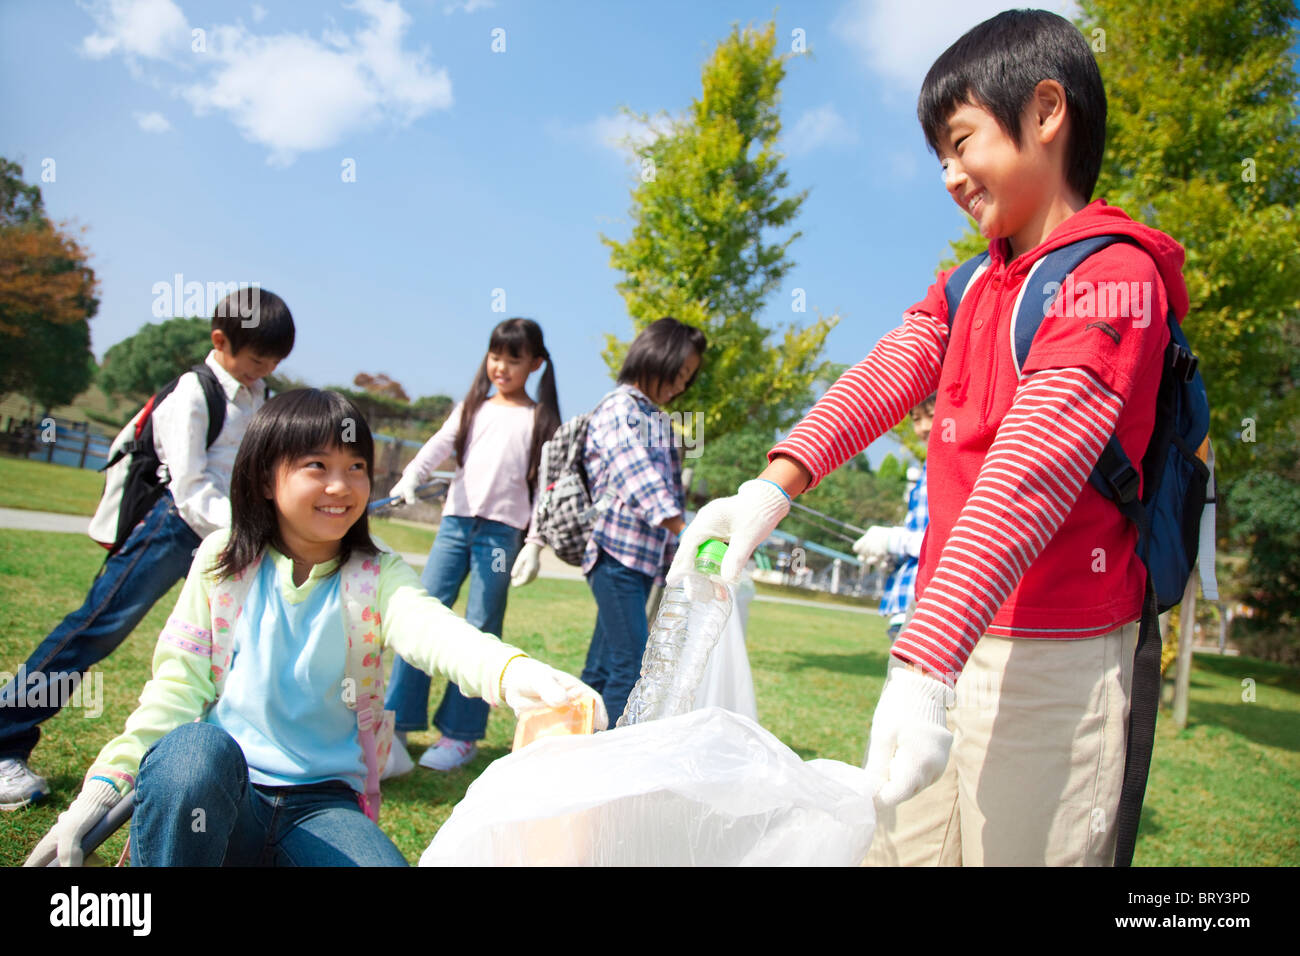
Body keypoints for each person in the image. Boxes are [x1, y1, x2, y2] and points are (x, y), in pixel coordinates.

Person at [671, 9, 1185, 866]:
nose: (948, 174)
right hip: (950, 640)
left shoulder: (1115, 278)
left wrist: (924, 663)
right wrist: (774, 486)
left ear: (1047, 111)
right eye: (937, 156)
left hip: (1057, 661)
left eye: (961, 140)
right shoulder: (970, 284)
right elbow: (884, 375)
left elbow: (1033, 468)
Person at [24, 389, 604, 866]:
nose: (342, 486)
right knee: (195, 751)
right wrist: (96, 799)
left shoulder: (376, 574)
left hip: (323, 807)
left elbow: (439, 634)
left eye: (357, 468)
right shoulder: (222, 561)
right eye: (317, 467)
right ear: (263, 480)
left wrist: (514, 673)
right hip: (227, 792)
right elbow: (174, 693)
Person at [0, 288, 294, 811]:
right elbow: (189, 486)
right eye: (257, 359)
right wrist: (247, 527)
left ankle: (226, 763)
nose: (264, 369)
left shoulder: (261, 397)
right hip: (173, 528)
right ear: (221, 340)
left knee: (236, 645)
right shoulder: (193, 393)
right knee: (97, 628)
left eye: (274, 362)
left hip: (229, 537)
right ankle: (4, 741)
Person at [383, 318, 561, 772]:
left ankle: (460, 736)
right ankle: (396, 726)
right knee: (421, 616)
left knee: (482, 626)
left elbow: (545, 487)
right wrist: (410, 477)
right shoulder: (472, 407)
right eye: (495, 355)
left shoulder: (541, 420)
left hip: (501, 534)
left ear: (536, 364)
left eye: (514, 359)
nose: (501, 366)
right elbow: (438, 446)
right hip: (455, 525)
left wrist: (535, 542)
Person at [578, 317, 706, 726]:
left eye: (688, 378)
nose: (681, 385)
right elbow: (637, 476)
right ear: (656, 357)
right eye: (679, 373)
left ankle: (570, 745)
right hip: (616, 558)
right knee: (630, 664)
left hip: (636, 565)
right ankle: (607, 762)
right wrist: (681, 528)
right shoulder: (621, 408)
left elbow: (664, 485)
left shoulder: (654, 418)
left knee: (601, 669)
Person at [853, 397, 934, 642]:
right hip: (904, 608)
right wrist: (892, 555)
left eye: (930, 415)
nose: (923, 428)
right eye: (916, 419)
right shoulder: (927, 468)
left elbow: (952, 544)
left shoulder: (959, 467)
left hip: (929, 610)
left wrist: (894, 541)